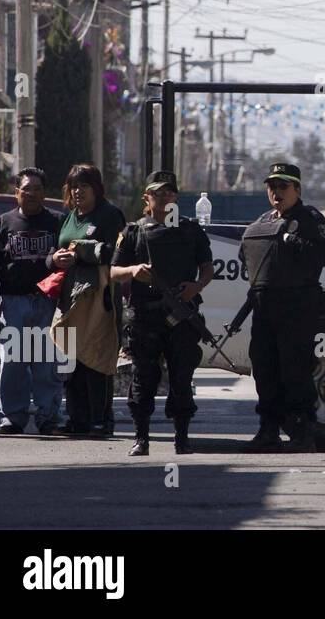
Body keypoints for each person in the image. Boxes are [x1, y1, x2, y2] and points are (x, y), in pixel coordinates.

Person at [110, 171, 214, 456]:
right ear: (147, 198)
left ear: (177, 197)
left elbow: (207, 267)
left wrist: (197, 286)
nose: (165, 198)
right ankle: (141, 437)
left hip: (181, 315)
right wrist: (133, 271)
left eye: (170, 193)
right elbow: (113, 271)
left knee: (181, 376)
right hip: (145, 316)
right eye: (159, 194)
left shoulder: (190, 230)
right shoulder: (134, 231)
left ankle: (182, 437)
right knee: (144, 378)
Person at [240, 163, 325, 453]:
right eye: (272, 186)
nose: (276, 192)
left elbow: (321, 255)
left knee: (295, 372)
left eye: (283, 186)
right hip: (264, 309)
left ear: (297, 190)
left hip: (296, 309)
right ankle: (268, 429)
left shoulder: (309, 219)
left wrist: (290, 239)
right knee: (265, 370)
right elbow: (247, 257)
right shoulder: (263, 221)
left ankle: (302, 431)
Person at [0, 169, 63, 434]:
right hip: (12, 303)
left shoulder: (57, 222)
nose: (32, 194)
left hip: (47, 303)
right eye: (27, 188)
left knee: (45, 362)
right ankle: (12, 417)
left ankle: (47, 416)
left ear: (44, 193)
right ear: (17, 192)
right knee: (12, 363)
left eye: (38, 189)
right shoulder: (3, 223)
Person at [55, 163, 127, 437]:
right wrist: (55, 258)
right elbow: (58, 247)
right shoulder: (70, 216)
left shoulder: (109, 215)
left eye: (83, 186)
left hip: (100, 298)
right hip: (70, 299)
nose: (77, 191)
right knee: (72, 359)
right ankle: (77, 419)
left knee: (97, 358)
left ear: (96, 189)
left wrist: (81, 252)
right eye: (73, 186)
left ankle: (101, 419)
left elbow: (117, 254)